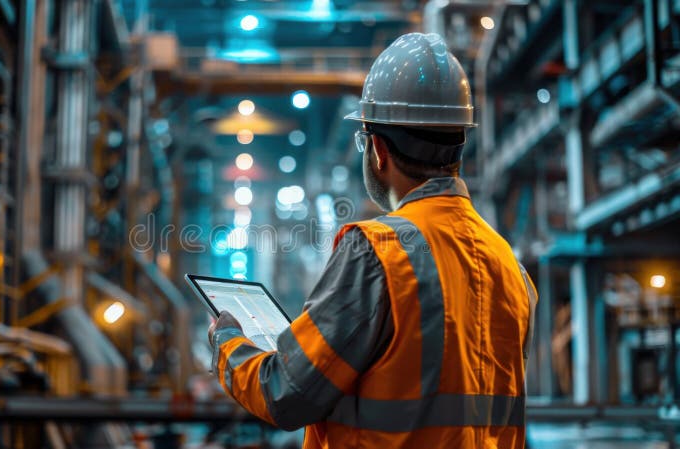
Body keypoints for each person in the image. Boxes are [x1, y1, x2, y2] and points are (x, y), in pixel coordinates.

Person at [208, 32, 537, 449]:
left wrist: (228, 342)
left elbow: (285, 394)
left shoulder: (377, 251)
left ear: (378, 150)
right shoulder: (510, 266)